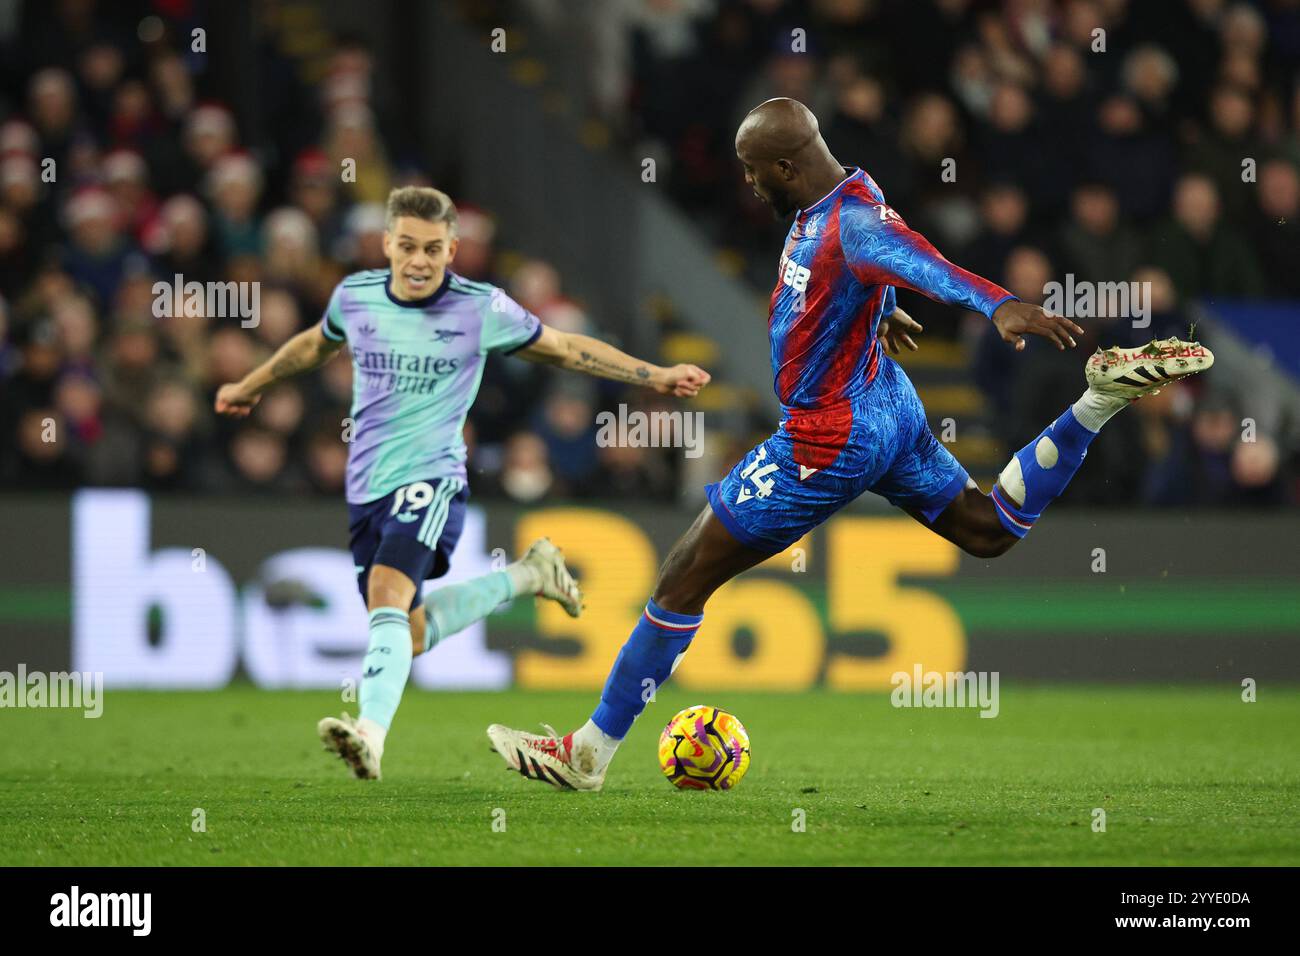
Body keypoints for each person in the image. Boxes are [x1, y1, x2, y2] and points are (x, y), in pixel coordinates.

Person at [486, 98, 1213, 790]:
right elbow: (873, 270)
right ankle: (1098, 401)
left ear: (787, 168)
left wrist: (1000, 304)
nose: (745, 181)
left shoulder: (852, 220)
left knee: (681, 576)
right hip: (885, 402)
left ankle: (587, 754)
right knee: (987, 529)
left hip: (827, 435)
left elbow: (915, 256)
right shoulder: (842, 194)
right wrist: (880, 309)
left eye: (752, 169)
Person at [215, 186, 710, 780]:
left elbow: (566, 348)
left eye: (431, 248)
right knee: (410, 632)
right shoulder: (357, 297)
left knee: (386, 596)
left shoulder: (481, 308)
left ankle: (368, 734)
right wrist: (252, 383)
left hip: (432, 478)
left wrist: (653, 375)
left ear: (451, 249)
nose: (418, 260)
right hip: (367, 486)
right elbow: (314, 345)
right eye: (406, 246)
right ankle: (528, 574)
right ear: (386, 245)